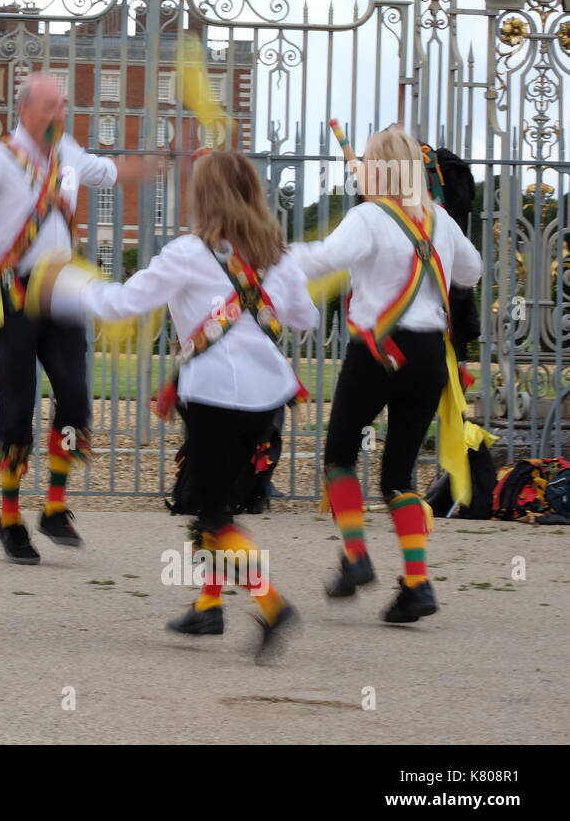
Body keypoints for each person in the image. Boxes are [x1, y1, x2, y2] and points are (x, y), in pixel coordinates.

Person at [30, 150, 319, 660]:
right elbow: (306, 320)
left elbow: (121, 303)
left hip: (212, 397)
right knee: (217, 501)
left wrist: (66, 280)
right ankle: (208, 606)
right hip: (265, 400)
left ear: (203, 197)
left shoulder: (188, 253)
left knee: (212, 514)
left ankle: (273, 604)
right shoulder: (279, 254)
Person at [0, 72, 161, 564]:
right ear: (26, 110)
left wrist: (146, 167)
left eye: (62, 107)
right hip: (11, 295)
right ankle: (10, 516)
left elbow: (106, 171)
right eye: (52, 107)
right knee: (16, 407)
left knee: (76, 399)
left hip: (61, 291)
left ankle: (55, 506)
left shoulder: (68, 153)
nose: (61, 114)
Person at [289, 127, 483, 623]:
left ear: (375, 168)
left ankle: (356, 556)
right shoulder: (438, 219)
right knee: (398, 474)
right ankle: (417, 584)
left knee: (339, 454)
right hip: (428, 356)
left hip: (376, 350)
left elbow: (324, 260)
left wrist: (279, 256)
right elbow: (473, 271)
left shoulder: (368, 216)